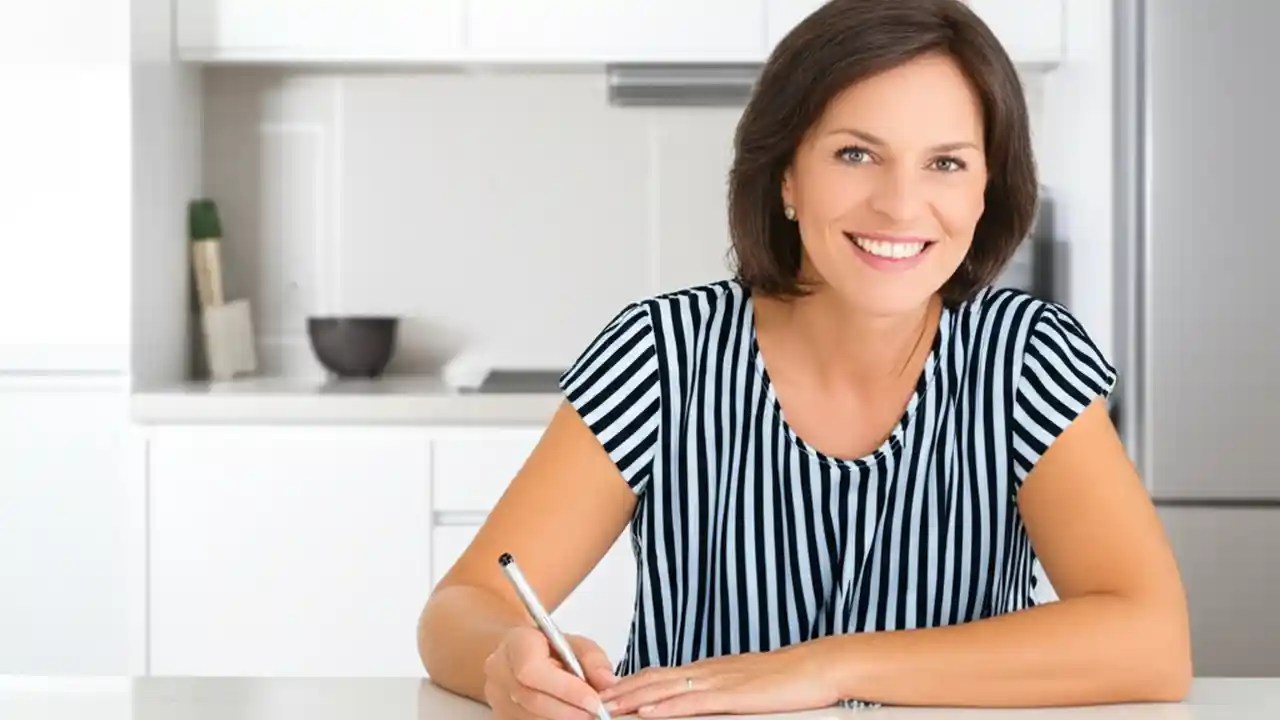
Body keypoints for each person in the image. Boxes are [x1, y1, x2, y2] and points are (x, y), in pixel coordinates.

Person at [418, 0, 1193, 715]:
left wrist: (829, 667)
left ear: (988, 188)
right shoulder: (664, 353)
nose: (899, 203)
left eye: (946, 163)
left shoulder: (1025, 359)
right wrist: (506, 659)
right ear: (787, 173)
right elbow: (463, 602)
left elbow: (1152, 642)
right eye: (857, 154)